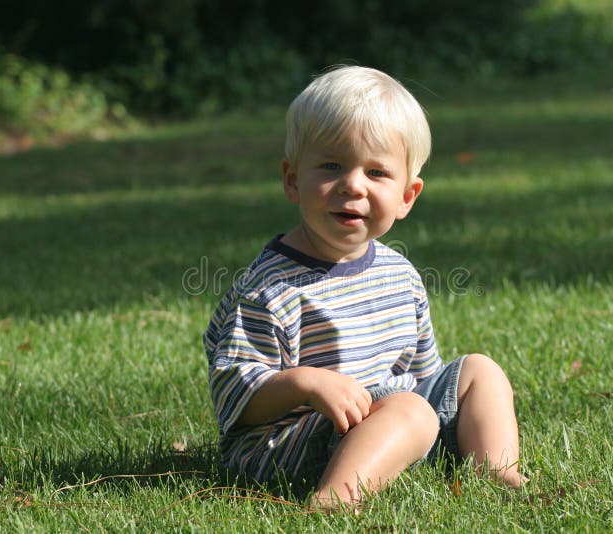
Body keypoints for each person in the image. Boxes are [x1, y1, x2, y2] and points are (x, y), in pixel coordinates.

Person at [203, 65, 523, 508]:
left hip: (387, 416)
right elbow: (235, 397)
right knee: (410, 411)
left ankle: (498, 471)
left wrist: (420, 412)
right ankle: (335, 497)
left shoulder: (400, 276)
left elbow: (422, 376)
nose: (353, 185)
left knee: (478, 371)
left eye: (376, 172)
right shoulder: (268, 289)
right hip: (292, 441)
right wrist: (304, 384)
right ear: (293, 179)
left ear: (407, 197)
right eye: (332, 165)